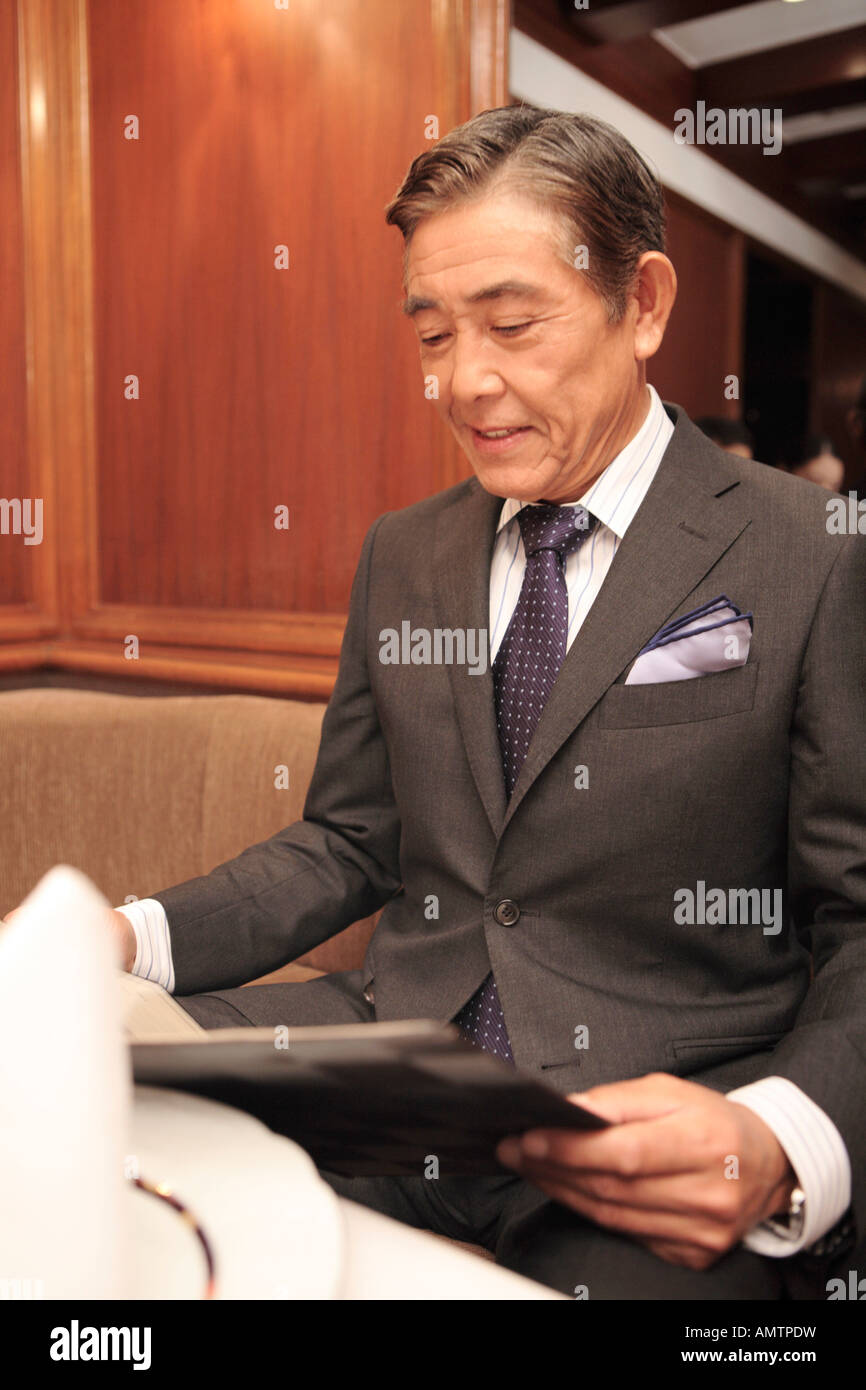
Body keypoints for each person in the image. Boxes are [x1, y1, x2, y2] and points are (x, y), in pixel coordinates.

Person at [11, 107, 864, 1300]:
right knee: (76, 1117)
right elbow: (349, 839)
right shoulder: (404, 553)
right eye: (430, 333)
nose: (464, 381)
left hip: (641, 1121)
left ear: (644, 304)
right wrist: (128, 938)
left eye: (513, 324)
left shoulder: (815, 551)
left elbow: (857, 919)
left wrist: (785, 1132)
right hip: (386, 1063)